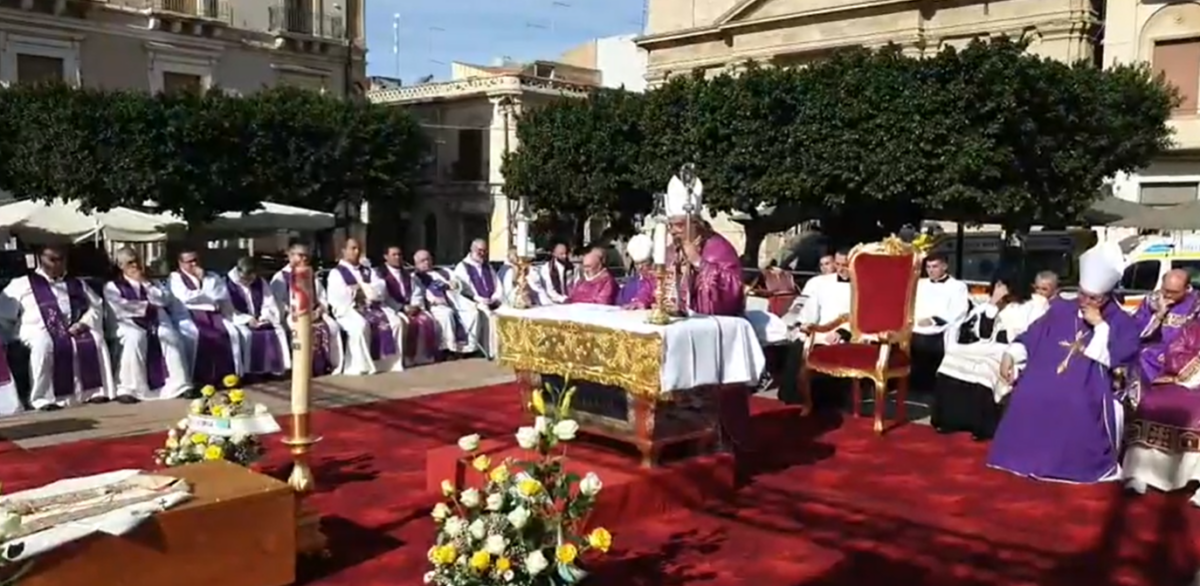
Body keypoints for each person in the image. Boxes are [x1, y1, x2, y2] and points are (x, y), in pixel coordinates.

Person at [987, 241, 1139, 483]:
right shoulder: (1061, 309)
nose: (1085, 301)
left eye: (1093, 297)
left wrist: (1100, 326)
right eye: (1082, 294)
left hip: (1090, 383)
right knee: (1027, 392)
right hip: (1046, 375)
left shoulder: (1121, 322)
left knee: (1075, 402)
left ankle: (1069, 464)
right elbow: (1033, 334)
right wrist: (1011, 354)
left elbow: (1120, 358)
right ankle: (1025, 458)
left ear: (1107, 297)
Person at [0, 244, 117, 411]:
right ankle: (42, 398)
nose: (57, 264)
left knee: (96, 340)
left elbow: (96, 306)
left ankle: (94, 392)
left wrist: (83, 323)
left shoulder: (76, 284)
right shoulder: (22, 284)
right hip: (36, 330)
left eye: (61, 259)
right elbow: (3, 314)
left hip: (72, 328)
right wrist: (8, 336)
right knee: (45, 344)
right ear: (41, 259)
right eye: (52, 259)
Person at [931, 274, 1047, 440]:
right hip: (988, 345)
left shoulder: (1035, 304)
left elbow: (1032, 335)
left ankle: (982, 426)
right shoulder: (992, 303)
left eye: (1004, 285)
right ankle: (950, 420)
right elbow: (984, 335)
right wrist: (993, 303)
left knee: (986, 367)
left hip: (1013, 348)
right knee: (952, 356)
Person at [1123, 313, 1200, 505]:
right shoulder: (1192, 330)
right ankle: (1140, 473)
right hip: (1184, 382)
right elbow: (1173, 356)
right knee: (1151, 404)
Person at [104, 247, 192, 401]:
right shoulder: (112, 286)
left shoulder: (153, 282)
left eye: (137, 261)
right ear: (121, 265)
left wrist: (146, 283)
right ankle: (130, 389)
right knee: (135, 338)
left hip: (156, 320)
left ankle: (179, 385)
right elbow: (121, 307)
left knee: (169, 336)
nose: (136, 266)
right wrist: (147, 306)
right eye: (130, 263)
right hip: (126, 323)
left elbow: (164, 300)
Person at [664, 174, 745, 316]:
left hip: (711, 322)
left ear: (695, 224)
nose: (672, 230)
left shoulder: (718, 247)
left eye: (679, 225)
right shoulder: (671, 250)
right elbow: (656, 284)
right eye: (670, 225)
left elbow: (733, 288)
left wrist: (698, 262)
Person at [326, 238, 405, 375]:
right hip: (349, 308)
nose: (356, 252)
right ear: (344, 251)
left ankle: (389, 364)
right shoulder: (336, 273)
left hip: (372, 306)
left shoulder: (368, 271)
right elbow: (338, 296)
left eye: (358, 249)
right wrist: (357, 291)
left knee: (395, 322)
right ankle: (362, 366)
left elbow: (381, 286)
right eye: (353, 248)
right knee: (360, 325)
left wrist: (367, 289)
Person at [168, 248, 242, 386]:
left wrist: (202, 288)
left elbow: (220, 294)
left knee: (227, 334)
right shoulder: (175, 277)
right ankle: (200, 378)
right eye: (189, 262)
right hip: (188, 315)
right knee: (200, 336)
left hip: (214, 314)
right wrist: (205, 291)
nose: (194, 264)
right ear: (180, 263)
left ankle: (224, 377)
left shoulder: (212, 275)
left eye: (196, 260)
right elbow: (185, 297)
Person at [269, 243, 342, 377]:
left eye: (306, 256)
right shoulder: (280, 277)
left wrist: (319, 310)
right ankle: (301, 367)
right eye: (300, 255)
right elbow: (277, 302)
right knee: (297, 328)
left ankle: (330, 365)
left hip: (314, 313)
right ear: (290, 256)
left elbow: (321, 296)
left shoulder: (310, 274)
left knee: (333, 327)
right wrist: (295, 312)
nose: (304, 259)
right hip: (293, 314)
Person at [1128, 269, 1199, 401]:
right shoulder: (1152, 301)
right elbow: (1135, 330)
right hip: (1151, 352)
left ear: (1187, 289)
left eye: (1174, 292)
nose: (1167, 295)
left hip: (1182, 355)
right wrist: (1159, 314)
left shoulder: (1196, 305)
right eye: (1165, 290)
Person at [909, 254, 971, 399]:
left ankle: (933, 390)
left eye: (935, 266)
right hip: (917, 326)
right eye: (928, 267)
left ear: (945, 266)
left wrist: (933, 320)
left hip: (941, 328)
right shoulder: (920, 284)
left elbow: (959, 310)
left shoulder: (957, 286)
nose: (931, 271)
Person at [226, 257, 290, 377]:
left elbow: (268, 302)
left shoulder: (260, 282)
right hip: (239, 321)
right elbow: (228, 309)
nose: (248, 282)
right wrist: (247, 319)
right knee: (247, 335)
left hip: (259, 318)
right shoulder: (227, 284)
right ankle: (249, 372)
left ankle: (275, 368)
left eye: (251, 278)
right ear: (238, 272)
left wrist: (264, 316)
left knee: (277, 330)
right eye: (245, 278)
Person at [379, 245, 438, 365]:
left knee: (427, 320)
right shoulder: (380, 274)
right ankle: (405, 358)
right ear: (386, 257)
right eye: (394, 255)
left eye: (399, 254)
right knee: (403, 323)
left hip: (411, 307)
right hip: (393, 309)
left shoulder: (407, 274)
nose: (397, 257)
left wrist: (415, 305)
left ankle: (422, 357)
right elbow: (384, 296)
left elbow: (416, 292)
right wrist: (401, 308)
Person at [413, 249, 477, 357]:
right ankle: (450, 348)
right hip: (434, 306)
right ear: (416, 263)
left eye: (428, 259)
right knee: (447, 314)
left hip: (454, 301)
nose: (427, 263)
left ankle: (469, 347)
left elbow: (457, 281)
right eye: (423, 261)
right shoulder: (416, 277)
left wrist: (455, 284)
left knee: (472, 312)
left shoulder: (443, 271)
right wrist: (434, 300)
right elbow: (419, 293)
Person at [453, 239, 502, 357]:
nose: (482, 254)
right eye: (480, 250)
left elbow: (497, 284)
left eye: (485, 251)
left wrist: (495, 297)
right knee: (490, 315)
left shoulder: (487, 266)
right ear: (472, 249)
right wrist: (480, 299)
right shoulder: (462, 267)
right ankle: (489, 350)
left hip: (491, 301)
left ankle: (500, 349)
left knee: (504, 312)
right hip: (472, 302)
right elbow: (464, 289)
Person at [619, 234, 655, 308]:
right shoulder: (630, 284)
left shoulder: (657, 280)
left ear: (652, 261)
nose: (640, 267)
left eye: (644, 262)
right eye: (637, 264)